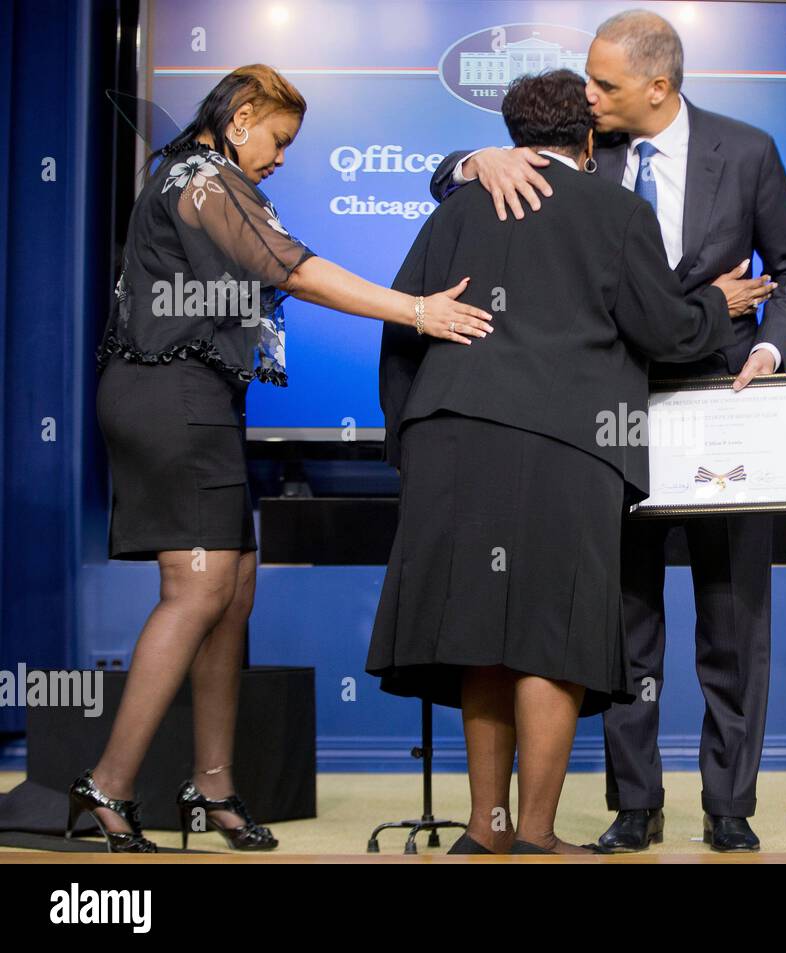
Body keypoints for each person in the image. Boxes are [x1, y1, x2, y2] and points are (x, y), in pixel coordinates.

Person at [73, 64, 492, 852]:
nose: (282, 156)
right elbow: (292, 269)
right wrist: (416, 310)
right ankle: (109, 785)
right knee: (198, 587)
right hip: (167, 393)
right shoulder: (200, 181)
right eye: (278, 139)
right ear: (239, 119)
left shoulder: (207, 178)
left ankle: (214, 783)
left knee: (233, 591)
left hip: (199, 394)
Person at [430, 9, 786, 853]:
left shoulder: (746, 150)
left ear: (659, 86)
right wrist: (473, 158)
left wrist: (772, 346)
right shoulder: (577, 148)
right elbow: (445, 183)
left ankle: (731, 806)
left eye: (603, 83)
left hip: (724, 404)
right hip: (608, 421)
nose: (586, 94)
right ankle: (634, 804)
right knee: (621, 621)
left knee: (733, 618)